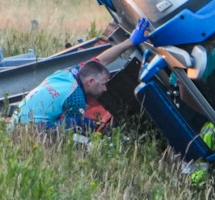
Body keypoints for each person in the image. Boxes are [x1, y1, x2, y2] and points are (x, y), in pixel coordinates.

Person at [13, 18, 149, 130]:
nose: (105, 89)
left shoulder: (67, 74)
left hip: (15, 124)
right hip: (29, 131)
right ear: (90, 82)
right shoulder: (76, 98)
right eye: (103, 84)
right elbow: (72, 131)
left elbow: (102, 60)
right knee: (83, 125)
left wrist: (130, 41)